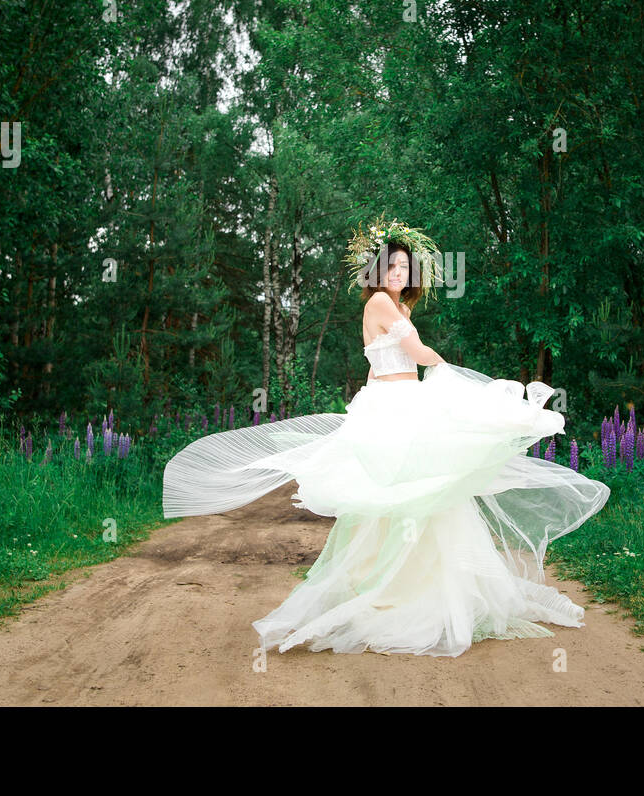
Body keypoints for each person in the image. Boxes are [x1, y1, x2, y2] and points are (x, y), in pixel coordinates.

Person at [162, 216, 610, 657]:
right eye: (392, 266)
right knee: (403, 493)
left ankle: (425, 588)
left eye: (405, 268)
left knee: (429, 494)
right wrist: (446, 369)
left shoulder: (400, 308)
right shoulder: (379, 302)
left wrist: (404, 386)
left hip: (401, 401)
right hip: (395, 405)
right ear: (377, 271)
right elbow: (415, 352)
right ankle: (389, 591)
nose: (399, 273)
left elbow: (386, 361)